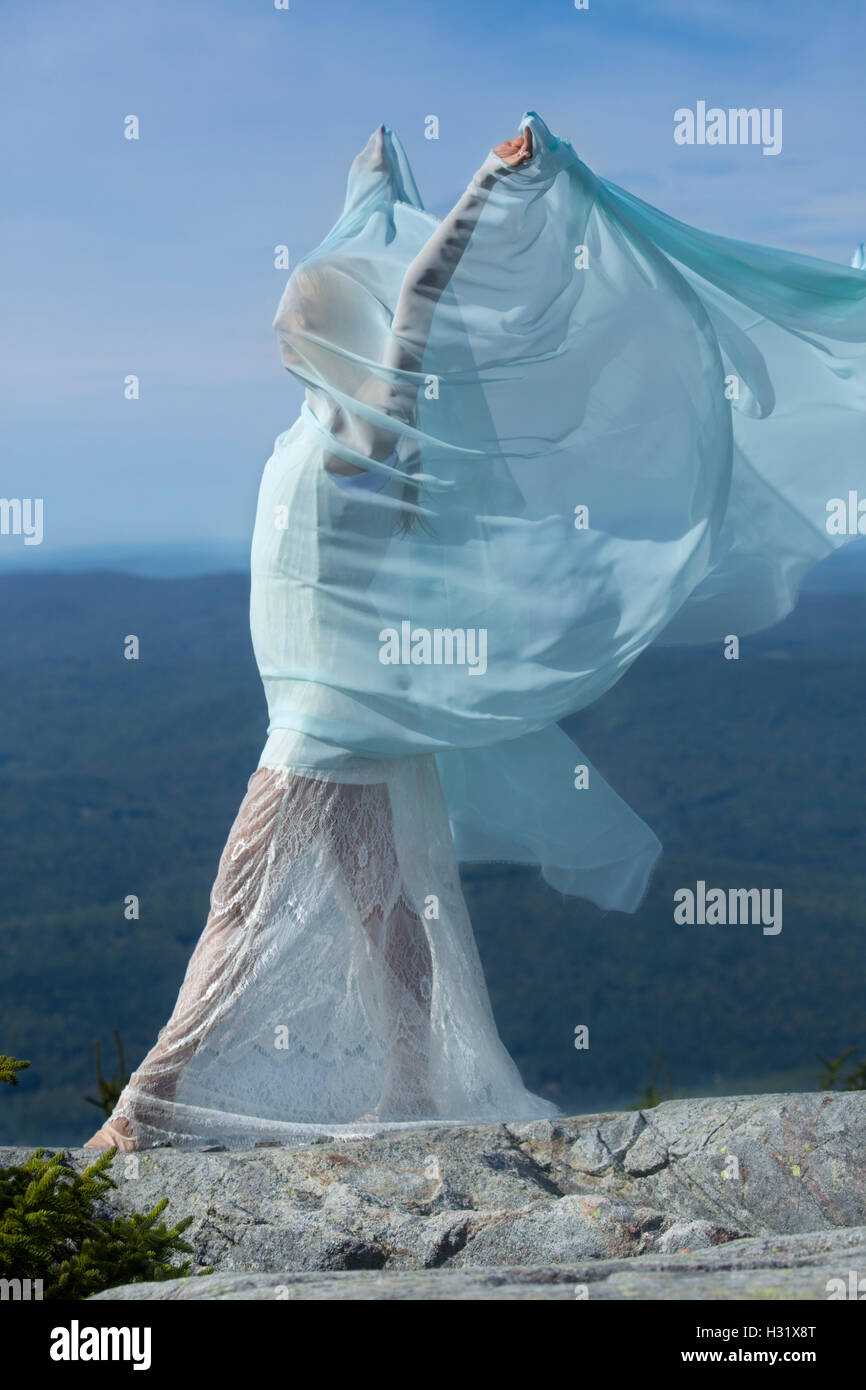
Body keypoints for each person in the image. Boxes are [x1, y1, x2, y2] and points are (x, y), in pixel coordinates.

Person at [86, 112, 865, 1150]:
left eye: (294, 315)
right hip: (337, 713)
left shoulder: (369, 430)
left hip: (317, 723)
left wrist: (485, 195)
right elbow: (371, 263)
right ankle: (410, 1087)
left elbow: (413, 300)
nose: (277, 328)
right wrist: (372, 181)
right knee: (382, 908)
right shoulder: (314, 424)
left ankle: (147, 1106)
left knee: (242, 903)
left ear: (323, 334)